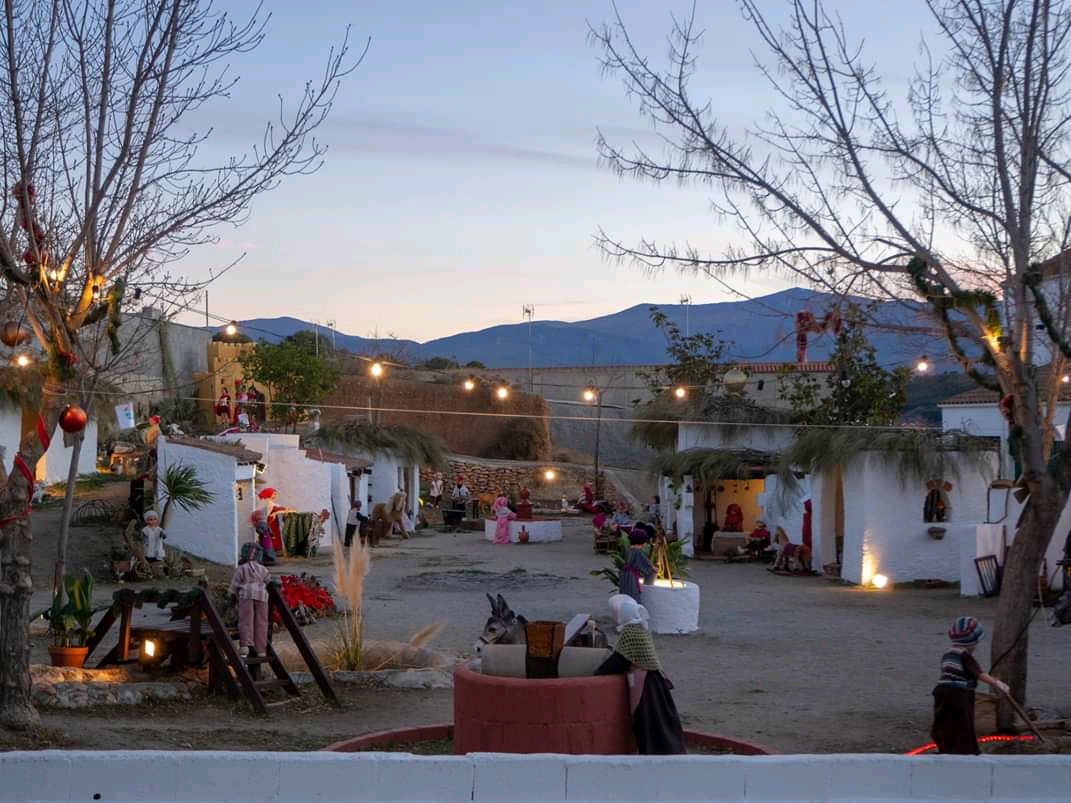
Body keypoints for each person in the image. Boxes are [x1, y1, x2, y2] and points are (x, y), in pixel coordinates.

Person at [595, 594, 686, 755]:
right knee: (662, 719)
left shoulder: (631, 633)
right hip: (655, 681)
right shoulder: (641, 628)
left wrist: (598, 673)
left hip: (645, 685)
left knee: (648, 720)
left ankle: (653, 752)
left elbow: (619, 660)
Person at [930, 616, 1009, 755]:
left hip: (941, 691)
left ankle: (944, 747)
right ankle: (965, 751)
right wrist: (997, 683)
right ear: (971, 642)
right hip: (959, 694)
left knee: (944, 721)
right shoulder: (965, 656)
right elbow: (979, 674)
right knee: (962, 723)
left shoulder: (948, 653)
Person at [229, 542, 272, 659]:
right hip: (262, 596)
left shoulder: (241, 569)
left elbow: (235, 585)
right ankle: (261, 650)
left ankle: (245, 647)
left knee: (246, 620)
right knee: (261, 622)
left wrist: (231, 594)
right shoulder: (263, 569)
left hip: (246, 595)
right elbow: (269, 581)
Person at [619, 526, 656, 603]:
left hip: (624, 575)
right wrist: (653, 568)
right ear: (642, 541)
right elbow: (646, 564)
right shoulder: (637, 552)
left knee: (625, 594)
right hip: (631, 576)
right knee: (632, 595)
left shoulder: (628, 549)